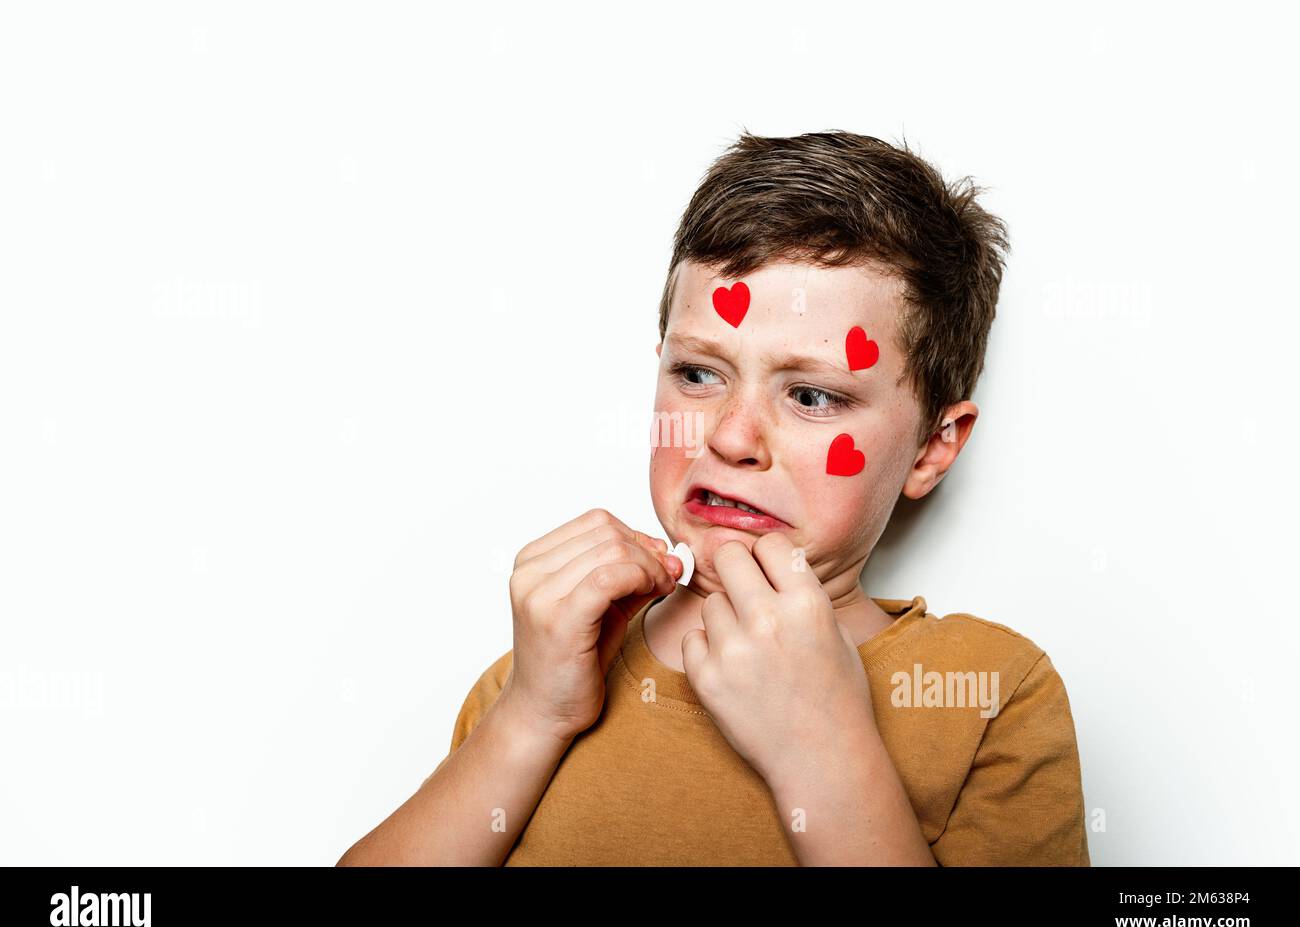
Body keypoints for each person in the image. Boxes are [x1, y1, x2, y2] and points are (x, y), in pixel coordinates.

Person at [337, 130, 1089, 866]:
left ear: (932, 448)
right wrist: (533, 717)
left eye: (813, 395)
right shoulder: (542, 674)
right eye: (699, 374)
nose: (731, 437)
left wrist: (821, 752)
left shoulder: (989, 692)